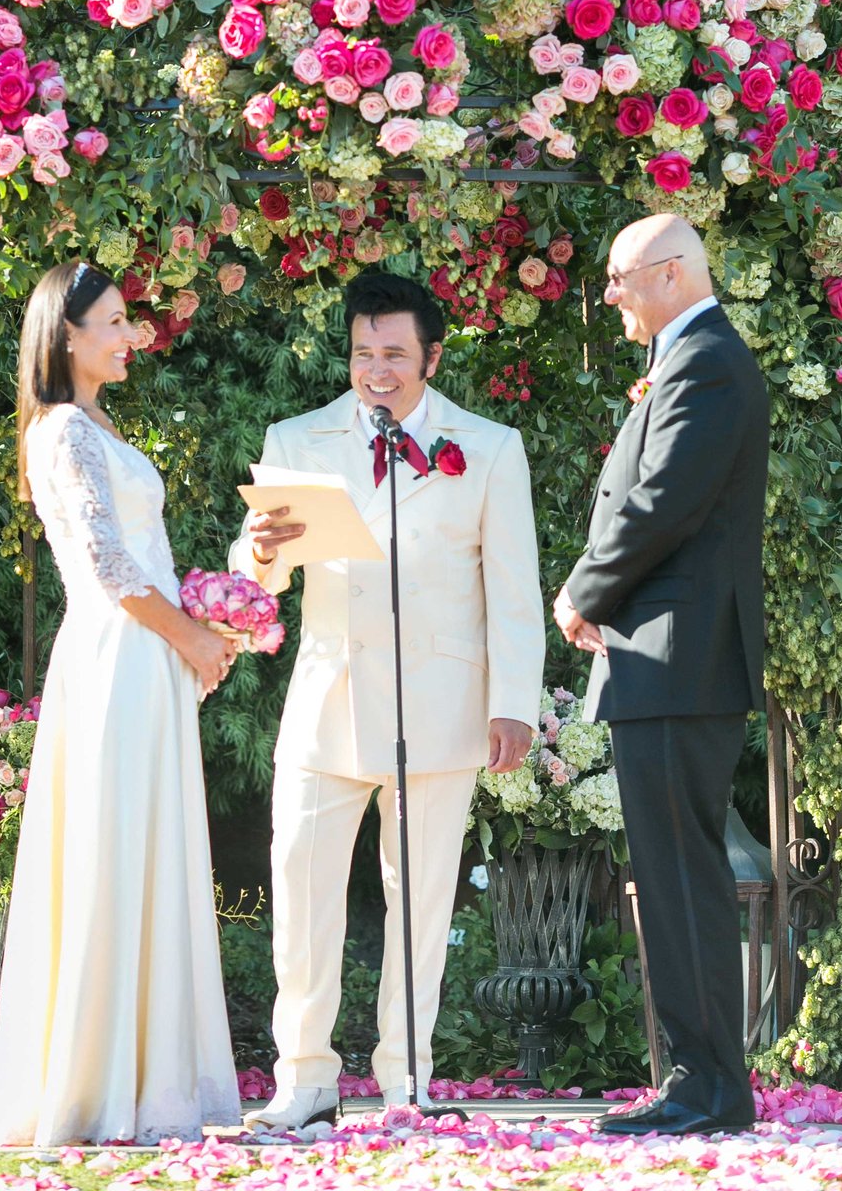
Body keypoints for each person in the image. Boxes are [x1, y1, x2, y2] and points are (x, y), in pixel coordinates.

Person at [232, 271, 546, 1134]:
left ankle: (408, 1078)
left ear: (431, 357)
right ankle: (304, 1079)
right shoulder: (298, 438)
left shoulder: (486, 447)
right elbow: (257, 580)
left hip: (441, 711)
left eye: (395, 354)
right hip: (327, 703)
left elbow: (515, 589)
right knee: (301, 897)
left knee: (421, 903)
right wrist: (258, 551)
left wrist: (513, 699)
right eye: (364, 352)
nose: (378, 369)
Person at [0, 260, 241, 1147]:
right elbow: (109, 567)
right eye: (118, 321)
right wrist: (192, 637)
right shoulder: (64, 432)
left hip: (145, 652)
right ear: (69, 334)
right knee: (117, 845)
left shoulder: (95, 424)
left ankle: (147, 1073)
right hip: (121, 652)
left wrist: (199, 622)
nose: (134, 336)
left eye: (131, 321)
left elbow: (143, 557)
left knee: (149, 846)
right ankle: (100, 1083)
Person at [553, 213, 768, 1137]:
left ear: (672, 274)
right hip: (664, 659)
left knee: (681, 878)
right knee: (677, 874)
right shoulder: (693, 358)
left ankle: (709, 1086)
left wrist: (581, 592)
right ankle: (705, 1080)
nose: (609, 294)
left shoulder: (708, 359)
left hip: (677, 657)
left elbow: (661, 504)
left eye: (619, 277)